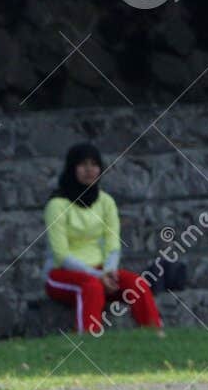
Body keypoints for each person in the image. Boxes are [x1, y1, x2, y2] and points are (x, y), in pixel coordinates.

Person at [43, 142, 164, 336]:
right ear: (72, 168)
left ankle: (154, 333)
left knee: (137, 283)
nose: (89, 170)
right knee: (92, 287)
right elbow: (61, 254)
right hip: (62, 274)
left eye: (94, 164)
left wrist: (109, 272)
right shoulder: (56, 205)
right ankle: (88, 339)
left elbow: (112, 243)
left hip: (102, 271)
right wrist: (97, 276)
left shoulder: (106, 202)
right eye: (83, 165)